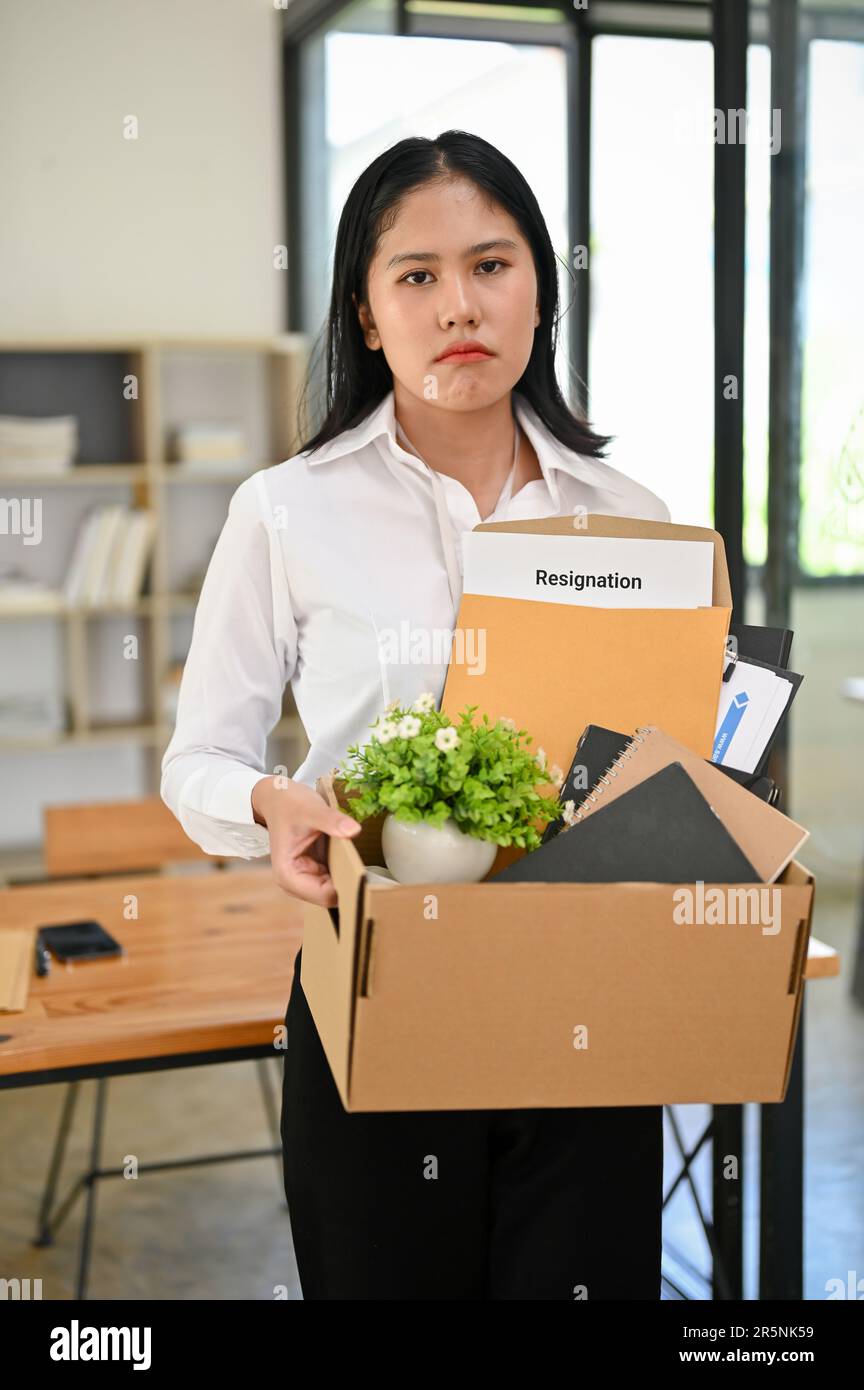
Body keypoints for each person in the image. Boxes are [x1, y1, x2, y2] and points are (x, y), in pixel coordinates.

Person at [161, 129, 669, 1300]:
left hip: (586, 999)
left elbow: (674, 749)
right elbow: (203, 755)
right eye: (418, 276)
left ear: (540, 285)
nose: (460, 306)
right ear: (366, 310)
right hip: (375, 989)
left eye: (493, 265)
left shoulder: (630, 513)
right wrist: (265, 801)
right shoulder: (286, 511)